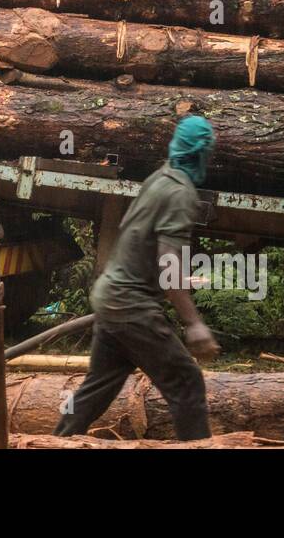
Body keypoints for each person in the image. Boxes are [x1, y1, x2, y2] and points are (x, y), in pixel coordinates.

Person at [55, 115, 220, 440]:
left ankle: (54, 443)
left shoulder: (159, 178)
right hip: (132, 307)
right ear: (202, 153)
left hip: (109, 298)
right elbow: (168, 261)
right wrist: (194, 323)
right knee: (187, 381)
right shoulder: (180, 193)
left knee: (96, 389)